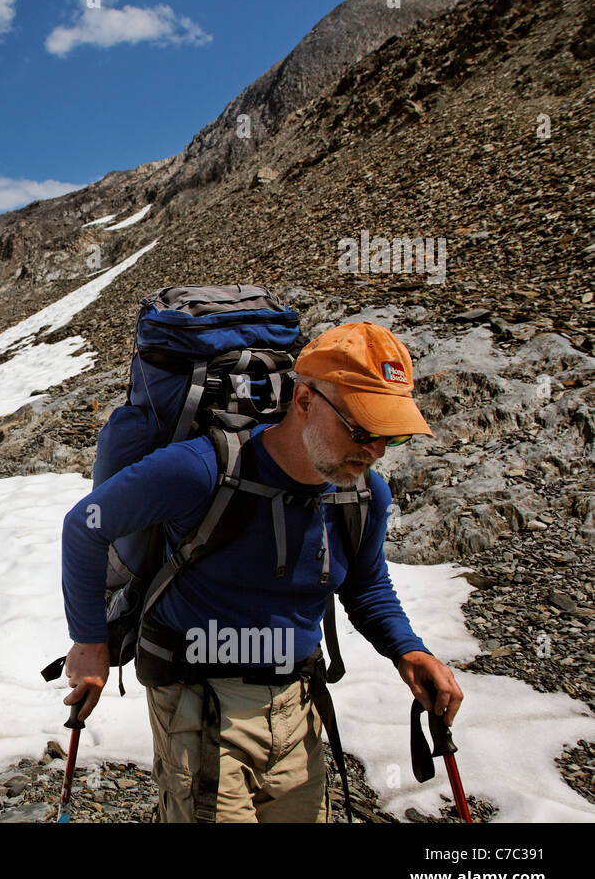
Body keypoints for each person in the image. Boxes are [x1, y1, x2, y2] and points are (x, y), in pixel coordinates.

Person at [59, 321, 464, 822]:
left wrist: (409, 650)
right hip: (198, 697)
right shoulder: (200, 469)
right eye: (361, 428)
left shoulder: (363, 494)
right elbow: (85, 526)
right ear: (305, 401)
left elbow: (365, 583)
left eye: (390, 433)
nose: (374, 450)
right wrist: (90, 644)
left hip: (297, 701)